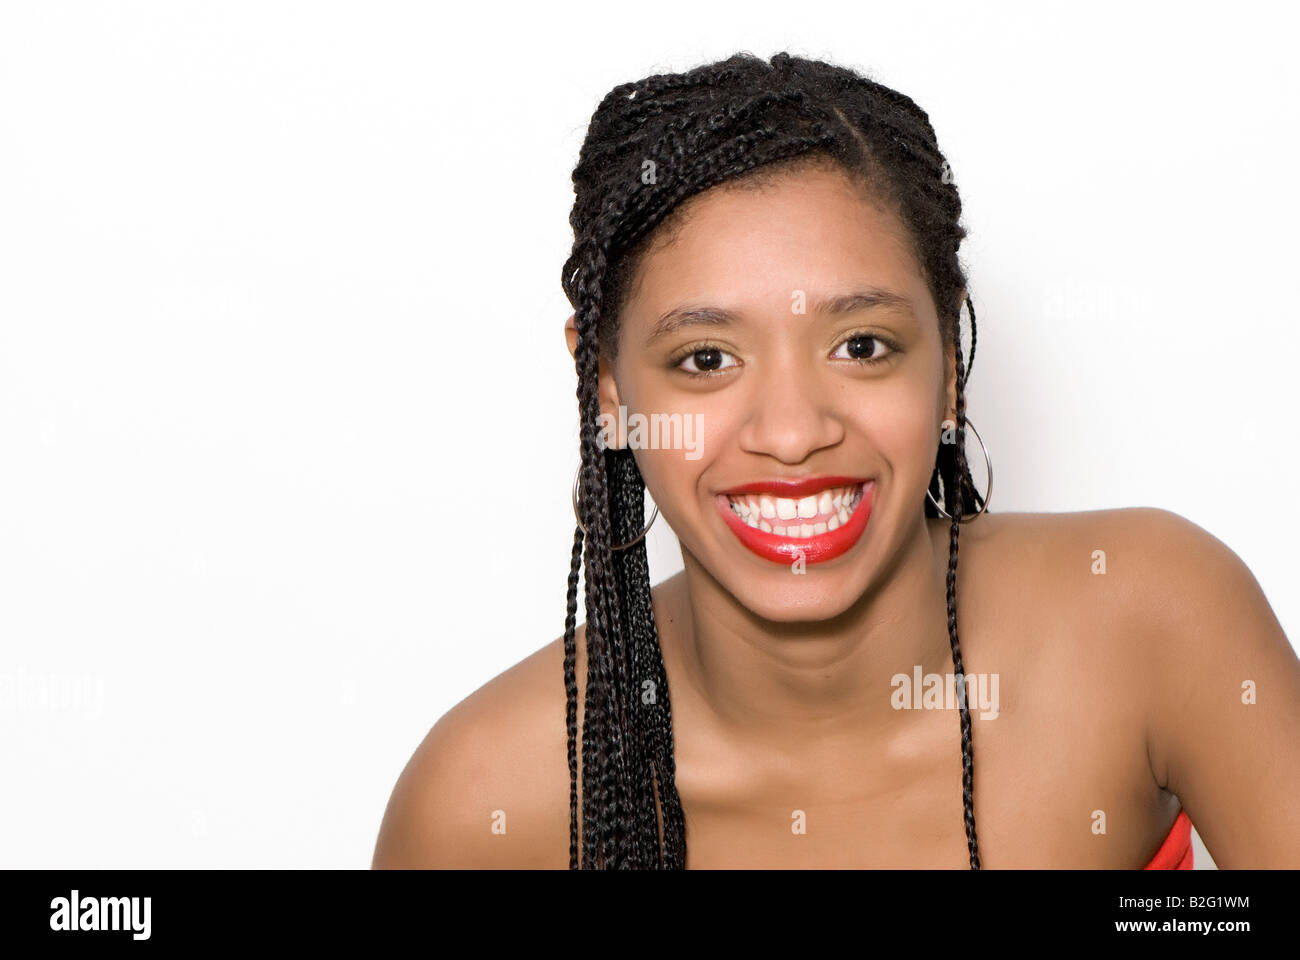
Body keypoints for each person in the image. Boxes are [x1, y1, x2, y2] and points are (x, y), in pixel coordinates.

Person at [372, 51, 1300, 869]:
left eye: (861, 345)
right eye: (706, 359)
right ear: (608, 392)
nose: (792, 432)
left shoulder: (1155, 622)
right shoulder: (483, 805)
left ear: (948, 368)